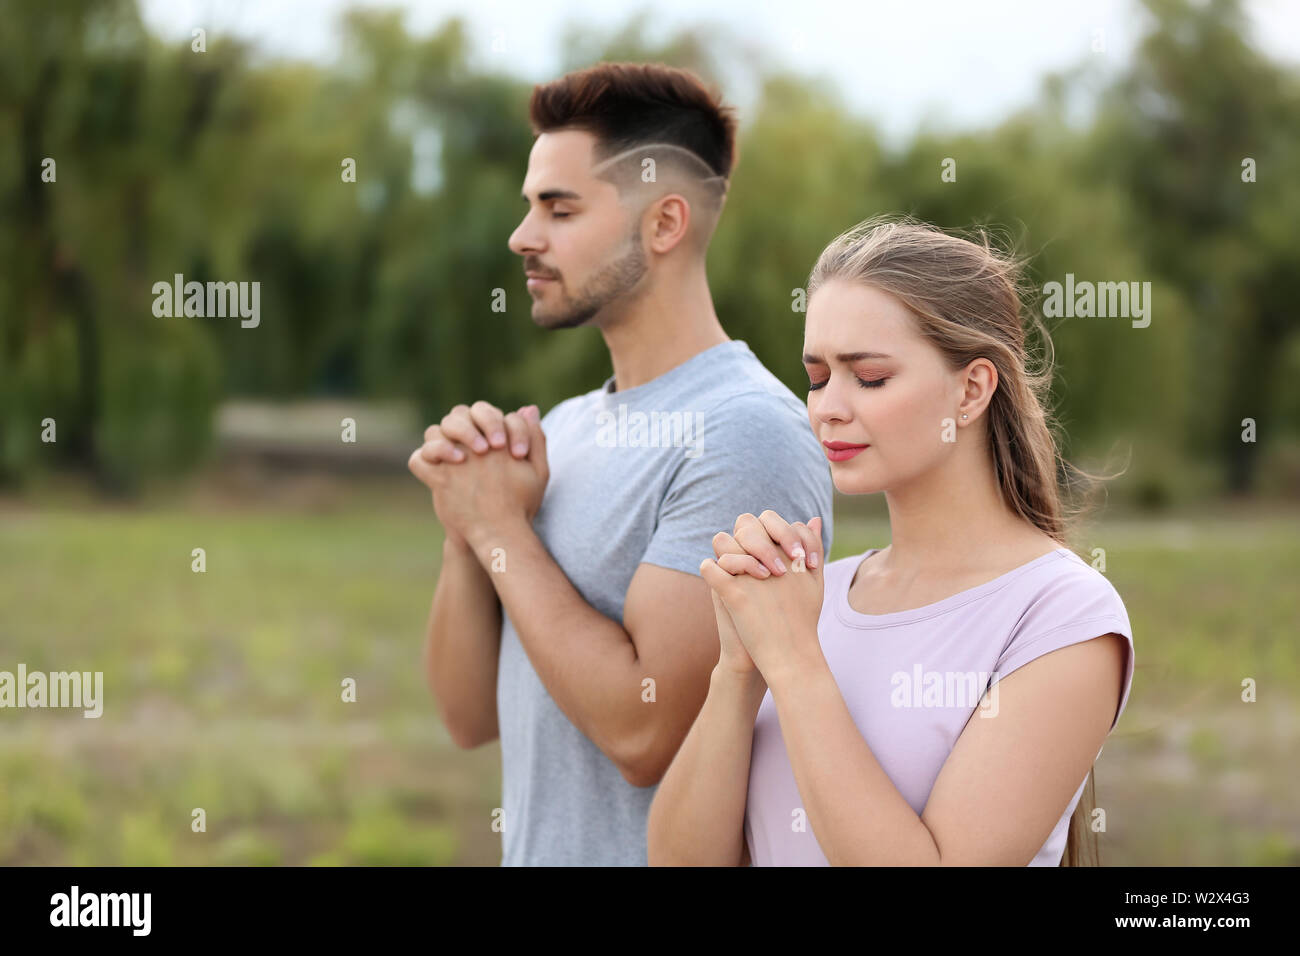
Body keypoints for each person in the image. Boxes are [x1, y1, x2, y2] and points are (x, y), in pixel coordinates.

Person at [406, 62, 833, 865]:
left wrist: (500, 526)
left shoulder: (746, 434)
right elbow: (467, 718)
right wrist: (466, 528)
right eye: (529, 206)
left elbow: (644, 731)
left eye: (559, 209)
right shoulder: (565, 429)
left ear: (664, 224)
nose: (522, 237)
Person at [648, 216, 1135, 866]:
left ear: (971, 389)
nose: (826, 407)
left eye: (870, 377)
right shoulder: (814, 595)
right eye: (818, 376)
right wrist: (738, 671)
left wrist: (794, 663)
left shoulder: (1063, 615)